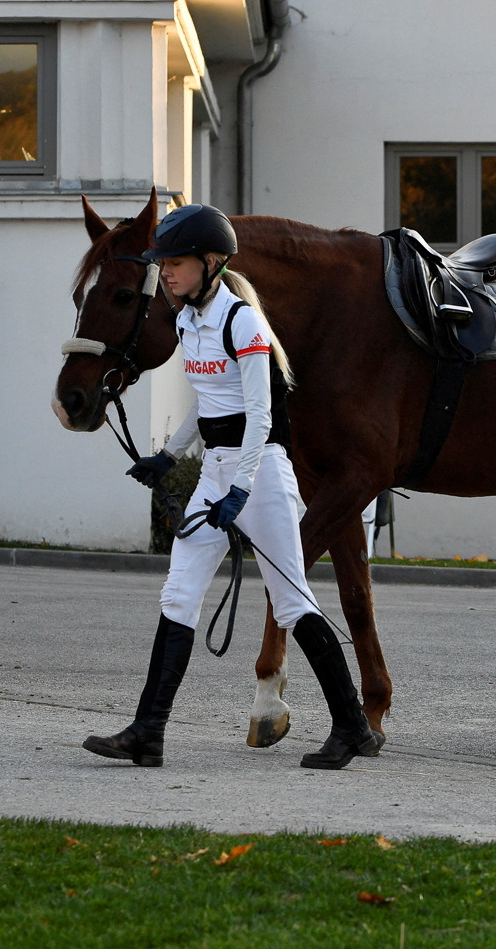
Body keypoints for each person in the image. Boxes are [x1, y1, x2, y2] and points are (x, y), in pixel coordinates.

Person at [82, 203, 382, 770]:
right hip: (220, 470)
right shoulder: (189, 321)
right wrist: (166, 458)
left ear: (212, 262)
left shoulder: (241, 321)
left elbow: (262, 415)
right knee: (177, 596)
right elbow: (207, 401)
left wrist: (240, 490)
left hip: (261, 472)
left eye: (174, 262)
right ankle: (148, 732)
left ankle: (352, 728)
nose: (164, 272)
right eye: (161, 263)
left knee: (293, 602)